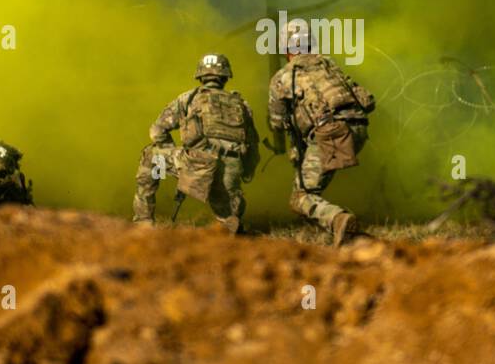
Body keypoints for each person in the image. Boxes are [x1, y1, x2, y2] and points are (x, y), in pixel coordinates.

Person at [267, 20, 375, 246]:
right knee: (310, 190)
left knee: (301, 196)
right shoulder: (328, 64)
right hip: (358, 128)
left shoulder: (283, 77)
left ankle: (338, 220)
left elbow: (276, 122)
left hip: (331, 134)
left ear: (286, 49)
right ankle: (347, 236)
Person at [132, 53, 260, 233]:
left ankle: (143, 223)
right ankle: (231, 223)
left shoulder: (188, 99)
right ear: (225, 76)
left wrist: (175, 160)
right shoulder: (242, 104)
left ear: (200, 76)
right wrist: (242, 172)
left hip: (197, 168)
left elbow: (157, 131)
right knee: (229, 220)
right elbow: (253, 147)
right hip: (230, 172)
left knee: (151, 156)